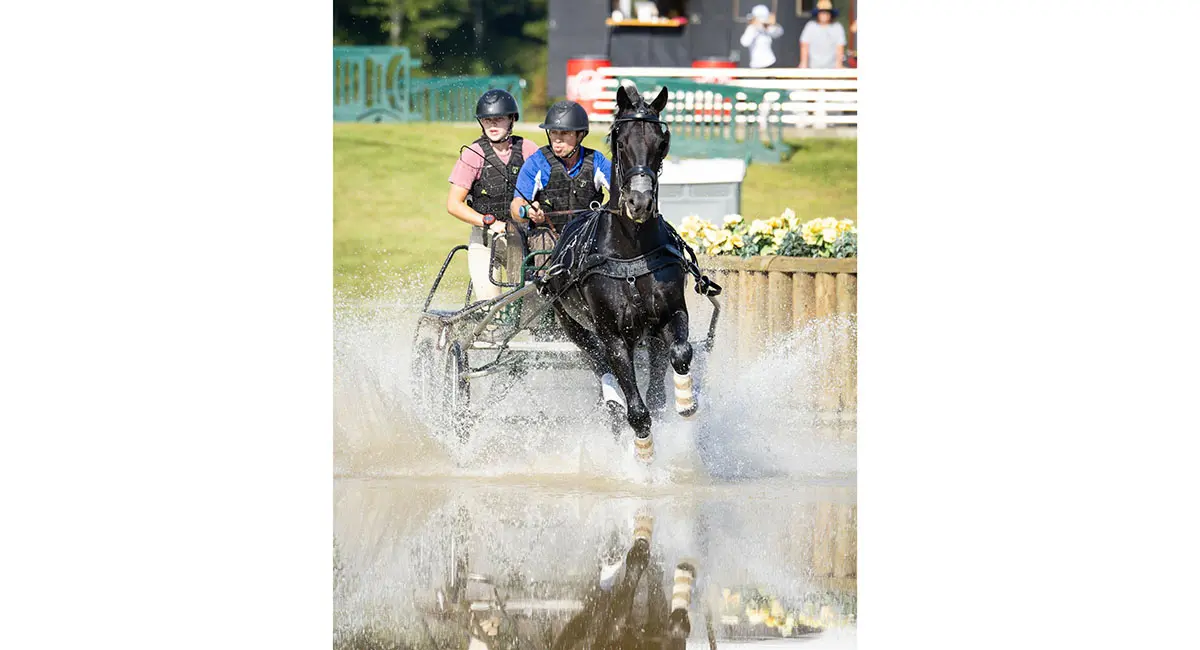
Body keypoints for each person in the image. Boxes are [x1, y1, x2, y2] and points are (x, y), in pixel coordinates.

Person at [446, 88, 539, 302]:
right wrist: (490, 223)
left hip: (523, 238)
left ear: (512, 120)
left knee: (530, 303)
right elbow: (454, 204)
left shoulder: (529, 149)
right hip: (486, 239)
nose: (493, 125)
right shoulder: (473, 154)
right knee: (489, 304)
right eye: (487, 120)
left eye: (498, 119)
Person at [509, 101, 612, 263]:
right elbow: (516, 206)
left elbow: (622, 193)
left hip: (588, 236)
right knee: (545, 242)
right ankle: (544, 286)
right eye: (553, 133)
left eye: (564, 133)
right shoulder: (537, 162)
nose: (557, 139)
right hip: (547, 236)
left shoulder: (597, 161)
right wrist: (527, 211)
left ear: (580, 135)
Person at [799, 0, 846, 69]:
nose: (824, 15)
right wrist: (804, 64)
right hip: (813, 68)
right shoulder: (810, 26)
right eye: (822, 12)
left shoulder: (837, 27)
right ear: (818, 14)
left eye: (827, 12)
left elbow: (840, 48)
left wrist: (839, 66)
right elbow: (804, 46)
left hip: (832, 69)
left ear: (831, 14)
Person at [739, 4, 784, 69]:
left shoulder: (767, 28)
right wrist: (755, 28)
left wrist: (771, 25)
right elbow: (744, 42)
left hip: (770, 62)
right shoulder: (751, 28)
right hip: (756, 65)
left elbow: (779, 32)